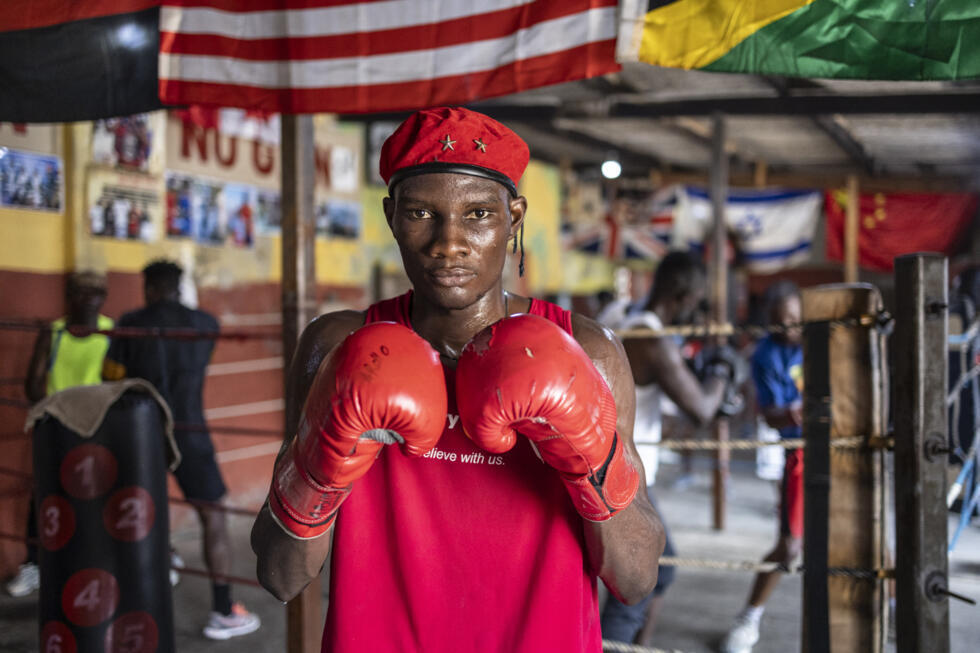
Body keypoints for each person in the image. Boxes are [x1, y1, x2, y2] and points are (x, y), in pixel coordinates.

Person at [250, 107, 665, 653]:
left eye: (477, 215)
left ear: (514, 217)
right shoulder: (338, 348)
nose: (449, 243)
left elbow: (634, 580)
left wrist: (593, 461)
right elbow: (281, 577)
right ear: (392, 215)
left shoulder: (587, 351)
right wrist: (319, 468)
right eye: (422, 212)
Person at [102, 260, 260, 640]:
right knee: (214, 516)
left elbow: (109, 377)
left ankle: (132, 608)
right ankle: (223, 610)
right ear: (178, 286)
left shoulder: (129, 322)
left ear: (151, 288)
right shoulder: (205, 324)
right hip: (190, 430)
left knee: (137, 513)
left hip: (143, 432)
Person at [599, 252, 742, 646]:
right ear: (682, 297)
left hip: (612, 464)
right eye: (693, 303)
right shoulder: (652, 341)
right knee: (638, 583)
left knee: (659, 572)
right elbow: (701, 408)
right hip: (621, 473)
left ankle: (637, 645)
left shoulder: (619, 316)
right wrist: (720, 371)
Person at [6, 272, 115, 597]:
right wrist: (63, 409)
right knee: (45, 493)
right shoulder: (54, 332)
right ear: (70, 298)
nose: (88, 300)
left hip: (95, 423)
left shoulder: (112, 331)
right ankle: (33, 566)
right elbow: (33, 384)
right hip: (55, 423)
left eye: (94, 294)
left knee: (95, 494)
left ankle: (89, 562)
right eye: (80, 294)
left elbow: (120, 379)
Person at [721, 280, 803, 653]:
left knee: (871, 539)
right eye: (779, 322)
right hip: (801, 450)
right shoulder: (766, 354)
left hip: (849, 451)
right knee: (788, 547)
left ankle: (897, 606)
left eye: (793, 319)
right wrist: (796, 412)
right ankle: (749, 618)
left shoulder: (826, 340)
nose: (787, 328)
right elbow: (771, 416)